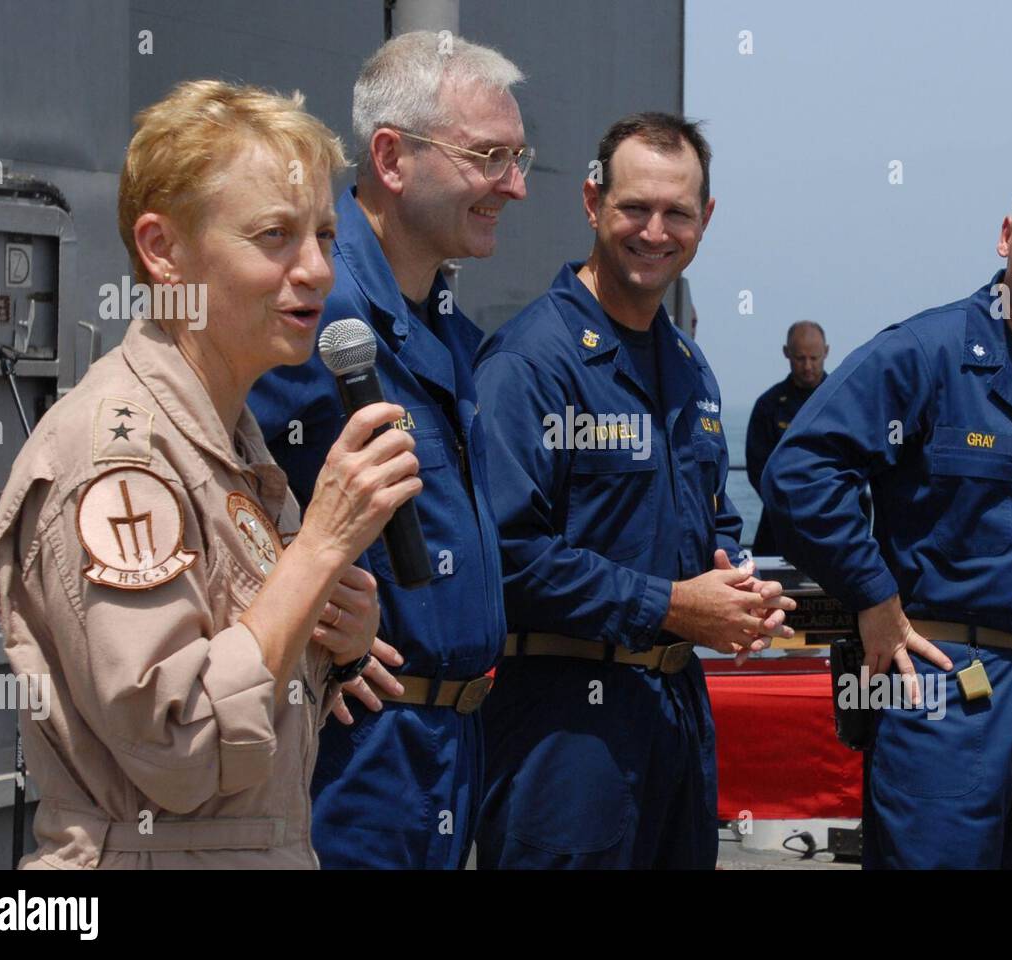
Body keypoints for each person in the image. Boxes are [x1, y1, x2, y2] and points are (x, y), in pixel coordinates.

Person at [0, 80, 421, 868]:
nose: (318, 270)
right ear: (163, 251)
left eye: (326, 235)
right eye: (274, 236)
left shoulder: (231, 445)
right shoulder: (116, 458)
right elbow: (179, 749)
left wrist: (339, 648)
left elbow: (253, 697)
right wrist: (319, 549)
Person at [762, 167, 1012, 869]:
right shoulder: (927, 354)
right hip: (947, 682)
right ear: (1005, 238)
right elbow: (800, 473)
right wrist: (872, 596)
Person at [472, 112, 796, 869]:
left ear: (704, 219)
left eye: (677, 212)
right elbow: (509, 558)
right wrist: (677, 606)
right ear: (592, 204)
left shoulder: (688, 364)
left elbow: (713, 514)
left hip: (676, 716)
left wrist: (736, 587)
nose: (655, 232)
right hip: (561, 734)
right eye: (634, 209)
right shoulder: (528, 365)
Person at [249, 31, 528, 869]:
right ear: (392, 157)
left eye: (519, 159)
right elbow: (211, 485)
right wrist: (313, 605)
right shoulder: (313, 316)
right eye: (488, 157)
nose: (512, 186)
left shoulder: (448, 330)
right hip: (355, 754)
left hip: (448, 750)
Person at [746, 321, 829, 555]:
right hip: (780, 523)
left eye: (814, 358)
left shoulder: (844, 400)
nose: (808, 367)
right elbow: (757, 469)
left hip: (834, 523)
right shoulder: (769, 405)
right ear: (786, 353)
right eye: (800, 358)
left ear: (827, 352)